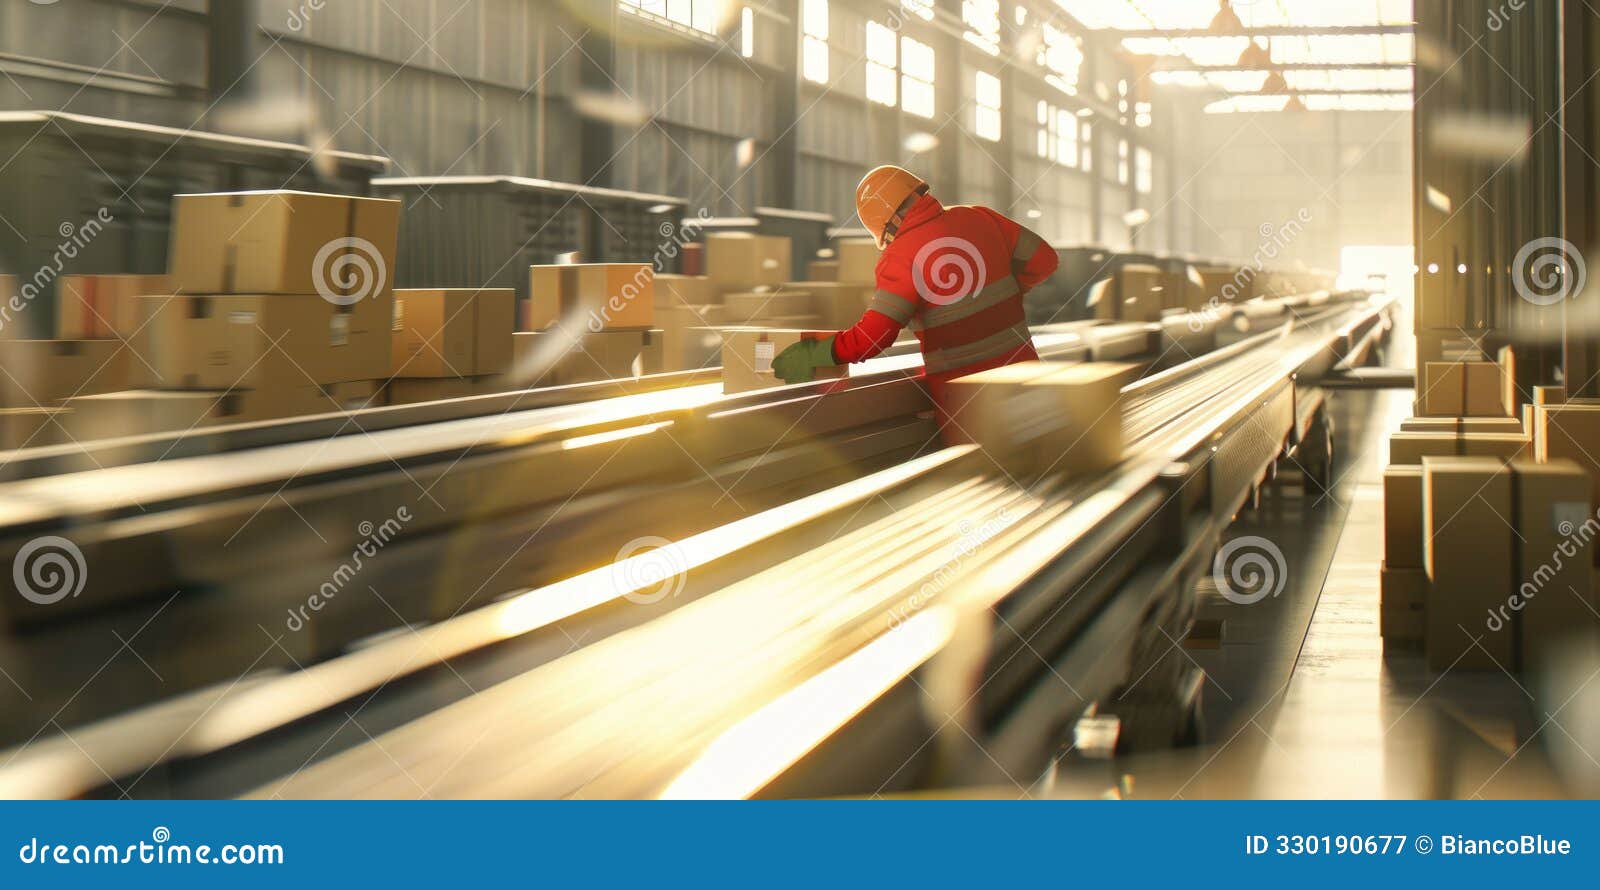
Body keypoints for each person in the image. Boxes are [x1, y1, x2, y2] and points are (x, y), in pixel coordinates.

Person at [772, 165, 1058, 436]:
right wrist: (1007, 294)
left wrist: (816, 352)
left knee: (981, 469)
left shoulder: (900, 257)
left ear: (888, 223)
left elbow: (872, 338)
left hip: (968, 402)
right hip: (1025, 376)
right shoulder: (980, 216)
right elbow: (1045, 261)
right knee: (1036, 459)